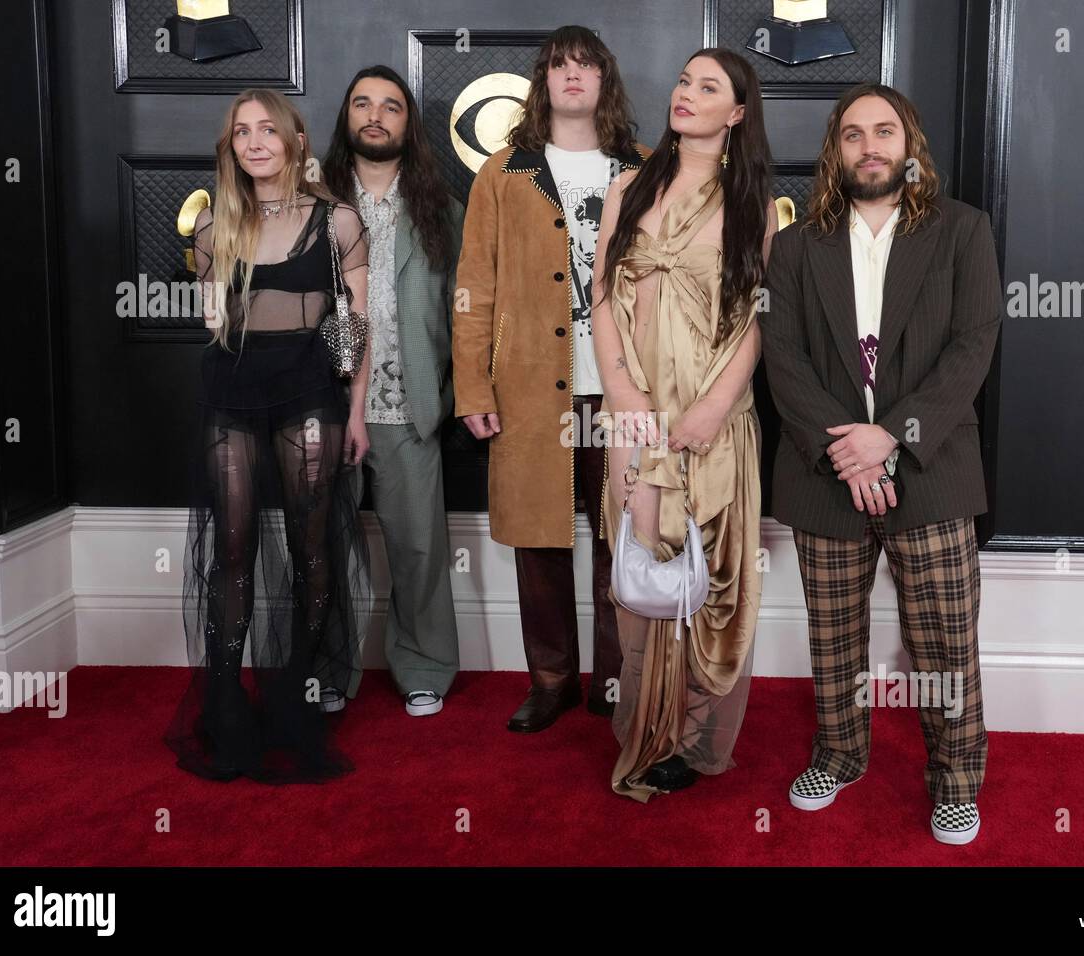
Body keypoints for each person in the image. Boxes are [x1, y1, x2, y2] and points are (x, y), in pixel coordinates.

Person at [761, 83, 1003, 843]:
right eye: (854, 134)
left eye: (885, 131)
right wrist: (848, 452)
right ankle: (838, 753)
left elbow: (973, 346)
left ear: (909, 145)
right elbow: (783, 357)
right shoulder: (798, 246)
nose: (871, 146)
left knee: (945, 640)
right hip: (823, 472)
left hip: (931, 469)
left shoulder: (962, 231)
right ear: (836, 151)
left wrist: (892, 436)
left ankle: (956, 779)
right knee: (833, 635)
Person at [165, 88, 371, 782]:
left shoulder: (337, 222)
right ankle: (226, 704)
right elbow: (212, 323)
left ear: (294, 138)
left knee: (312, 550)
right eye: (240, 133)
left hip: (312, 391)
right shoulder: (213, 228)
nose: (254, 142)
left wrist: (359, 413)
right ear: (231, 147)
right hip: (232, 392)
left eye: (266, 130)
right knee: (231, 550)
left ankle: (295, 696)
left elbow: (356, 331)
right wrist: (213, 263)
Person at [592, 48, 776, 801]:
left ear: (735, 113)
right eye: (682, 81)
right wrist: (623, 396)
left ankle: (694, 743)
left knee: (708, 580)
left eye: (708, 88)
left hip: (711, 417)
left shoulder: (752, 200)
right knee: (640, 577)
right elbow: (600, 297)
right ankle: (644, 727)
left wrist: (710, 410)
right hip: (633, 417)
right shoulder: (626, 188)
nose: (686, 94)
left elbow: (752, 318)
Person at [453, 26, 648, 733]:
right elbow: (473, 285)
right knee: (538, 541)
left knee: (618, 535)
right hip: (531, 386)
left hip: (626, 388)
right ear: (544, 81)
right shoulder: (503, 174)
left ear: (605, 80)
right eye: (560, 65)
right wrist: (473, 388)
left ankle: (616, 680)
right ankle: (552, 680)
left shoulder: (645, 167)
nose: (573, 76)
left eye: (586, 65)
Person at [322, 66, 463, 717]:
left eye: (391, 106)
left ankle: (425, 666)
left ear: (409, 124)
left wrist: (456, 390)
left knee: (418, 549)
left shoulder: (443, 212)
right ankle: (324, 673)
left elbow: (471, 313)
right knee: (322, 547)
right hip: (322, 407)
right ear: (347, 117)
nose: (375, 115)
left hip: (410, 407)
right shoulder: (313, 203)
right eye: (363, 104)